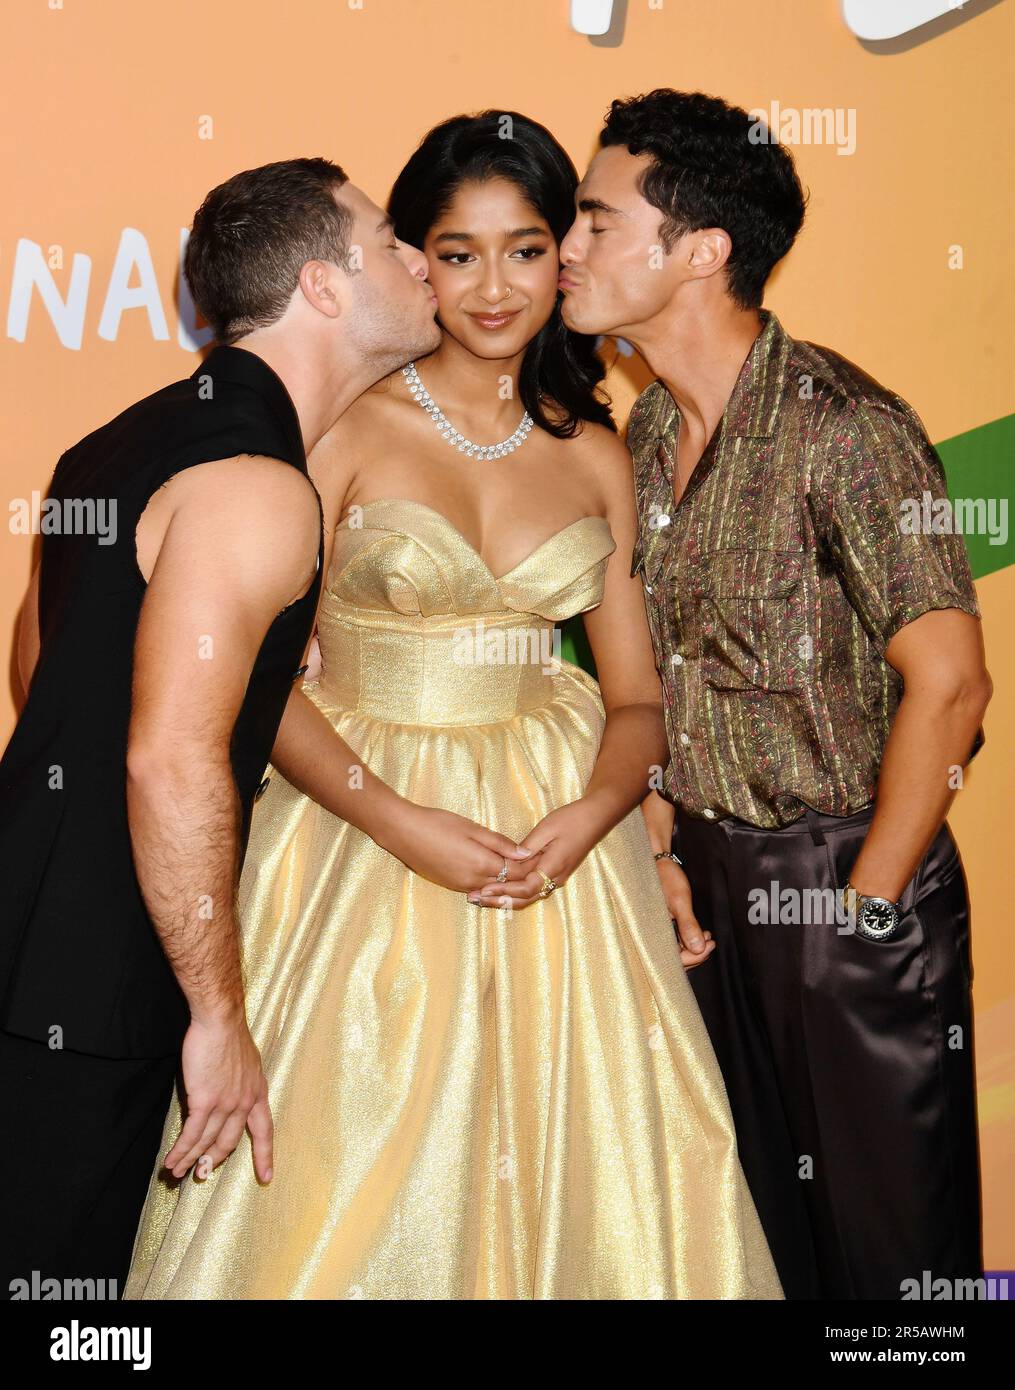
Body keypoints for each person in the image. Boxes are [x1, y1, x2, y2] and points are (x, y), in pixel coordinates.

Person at [125, 112, 781, 1301]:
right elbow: (259, 690)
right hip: (352, 835)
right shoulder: (338, 431)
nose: (492, 287)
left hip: (558, 857)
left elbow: (635, 698)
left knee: (590, 1168)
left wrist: (592, 819)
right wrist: (398, 820)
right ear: (414, 261)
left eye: (526, 249)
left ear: (562, 259)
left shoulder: (596, 450)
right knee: (347, 1167)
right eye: (456, 251)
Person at [557, 88, 991, 1300]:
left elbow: (950, 687)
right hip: (703, 892)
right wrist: (656, 836)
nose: (569, 246)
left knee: (892, 1269)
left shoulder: (845, 427)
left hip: (843, 879)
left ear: (700, 252)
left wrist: (863, 913)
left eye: (596, 220)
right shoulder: (642, 438)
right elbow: (644, 680)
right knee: (755, 1248)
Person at [0, 156, 439, 1299]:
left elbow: (32, 666)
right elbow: (171, 753)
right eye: (389, 239)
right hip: (91, 985)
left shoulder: (117, 440)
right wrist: (215, 1014)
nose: (418, 258)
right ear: (323, 286)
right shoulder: (257, 484)